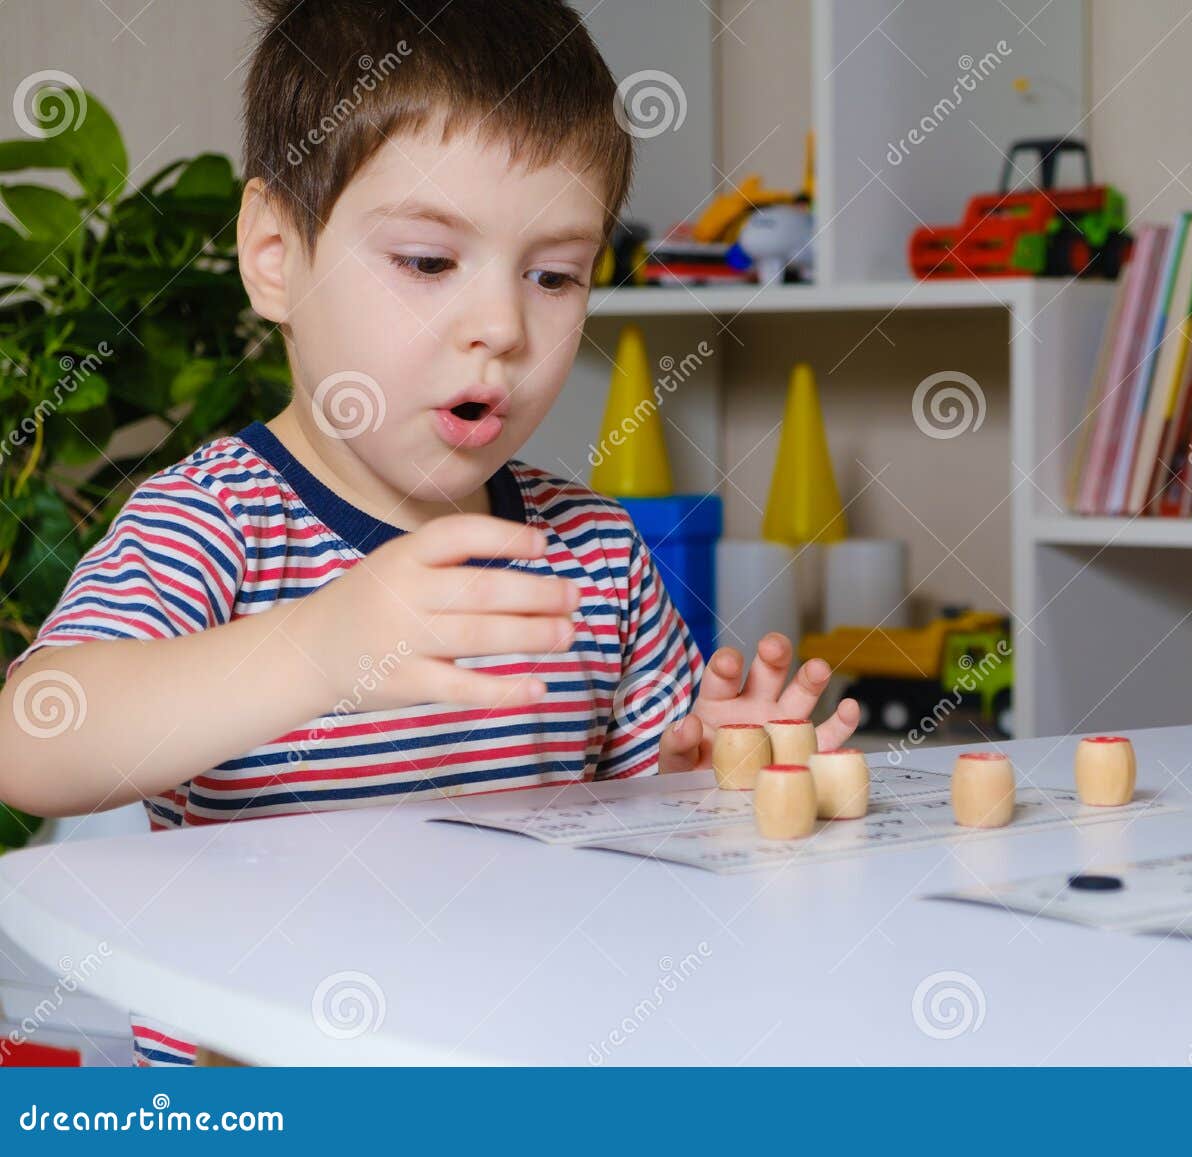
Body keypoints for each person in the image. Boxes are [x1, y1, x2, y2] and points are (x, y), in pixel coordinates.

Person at [0, 0, 858, 1066]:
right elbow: (32, 743)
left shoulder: (588, 548)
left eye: (553, 275)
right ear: (275, 254)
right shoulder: (217, 521)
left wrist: (701, 770)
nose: (501, 326)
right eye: (426, 260)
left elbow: (643, 844)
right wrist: (322, 643)